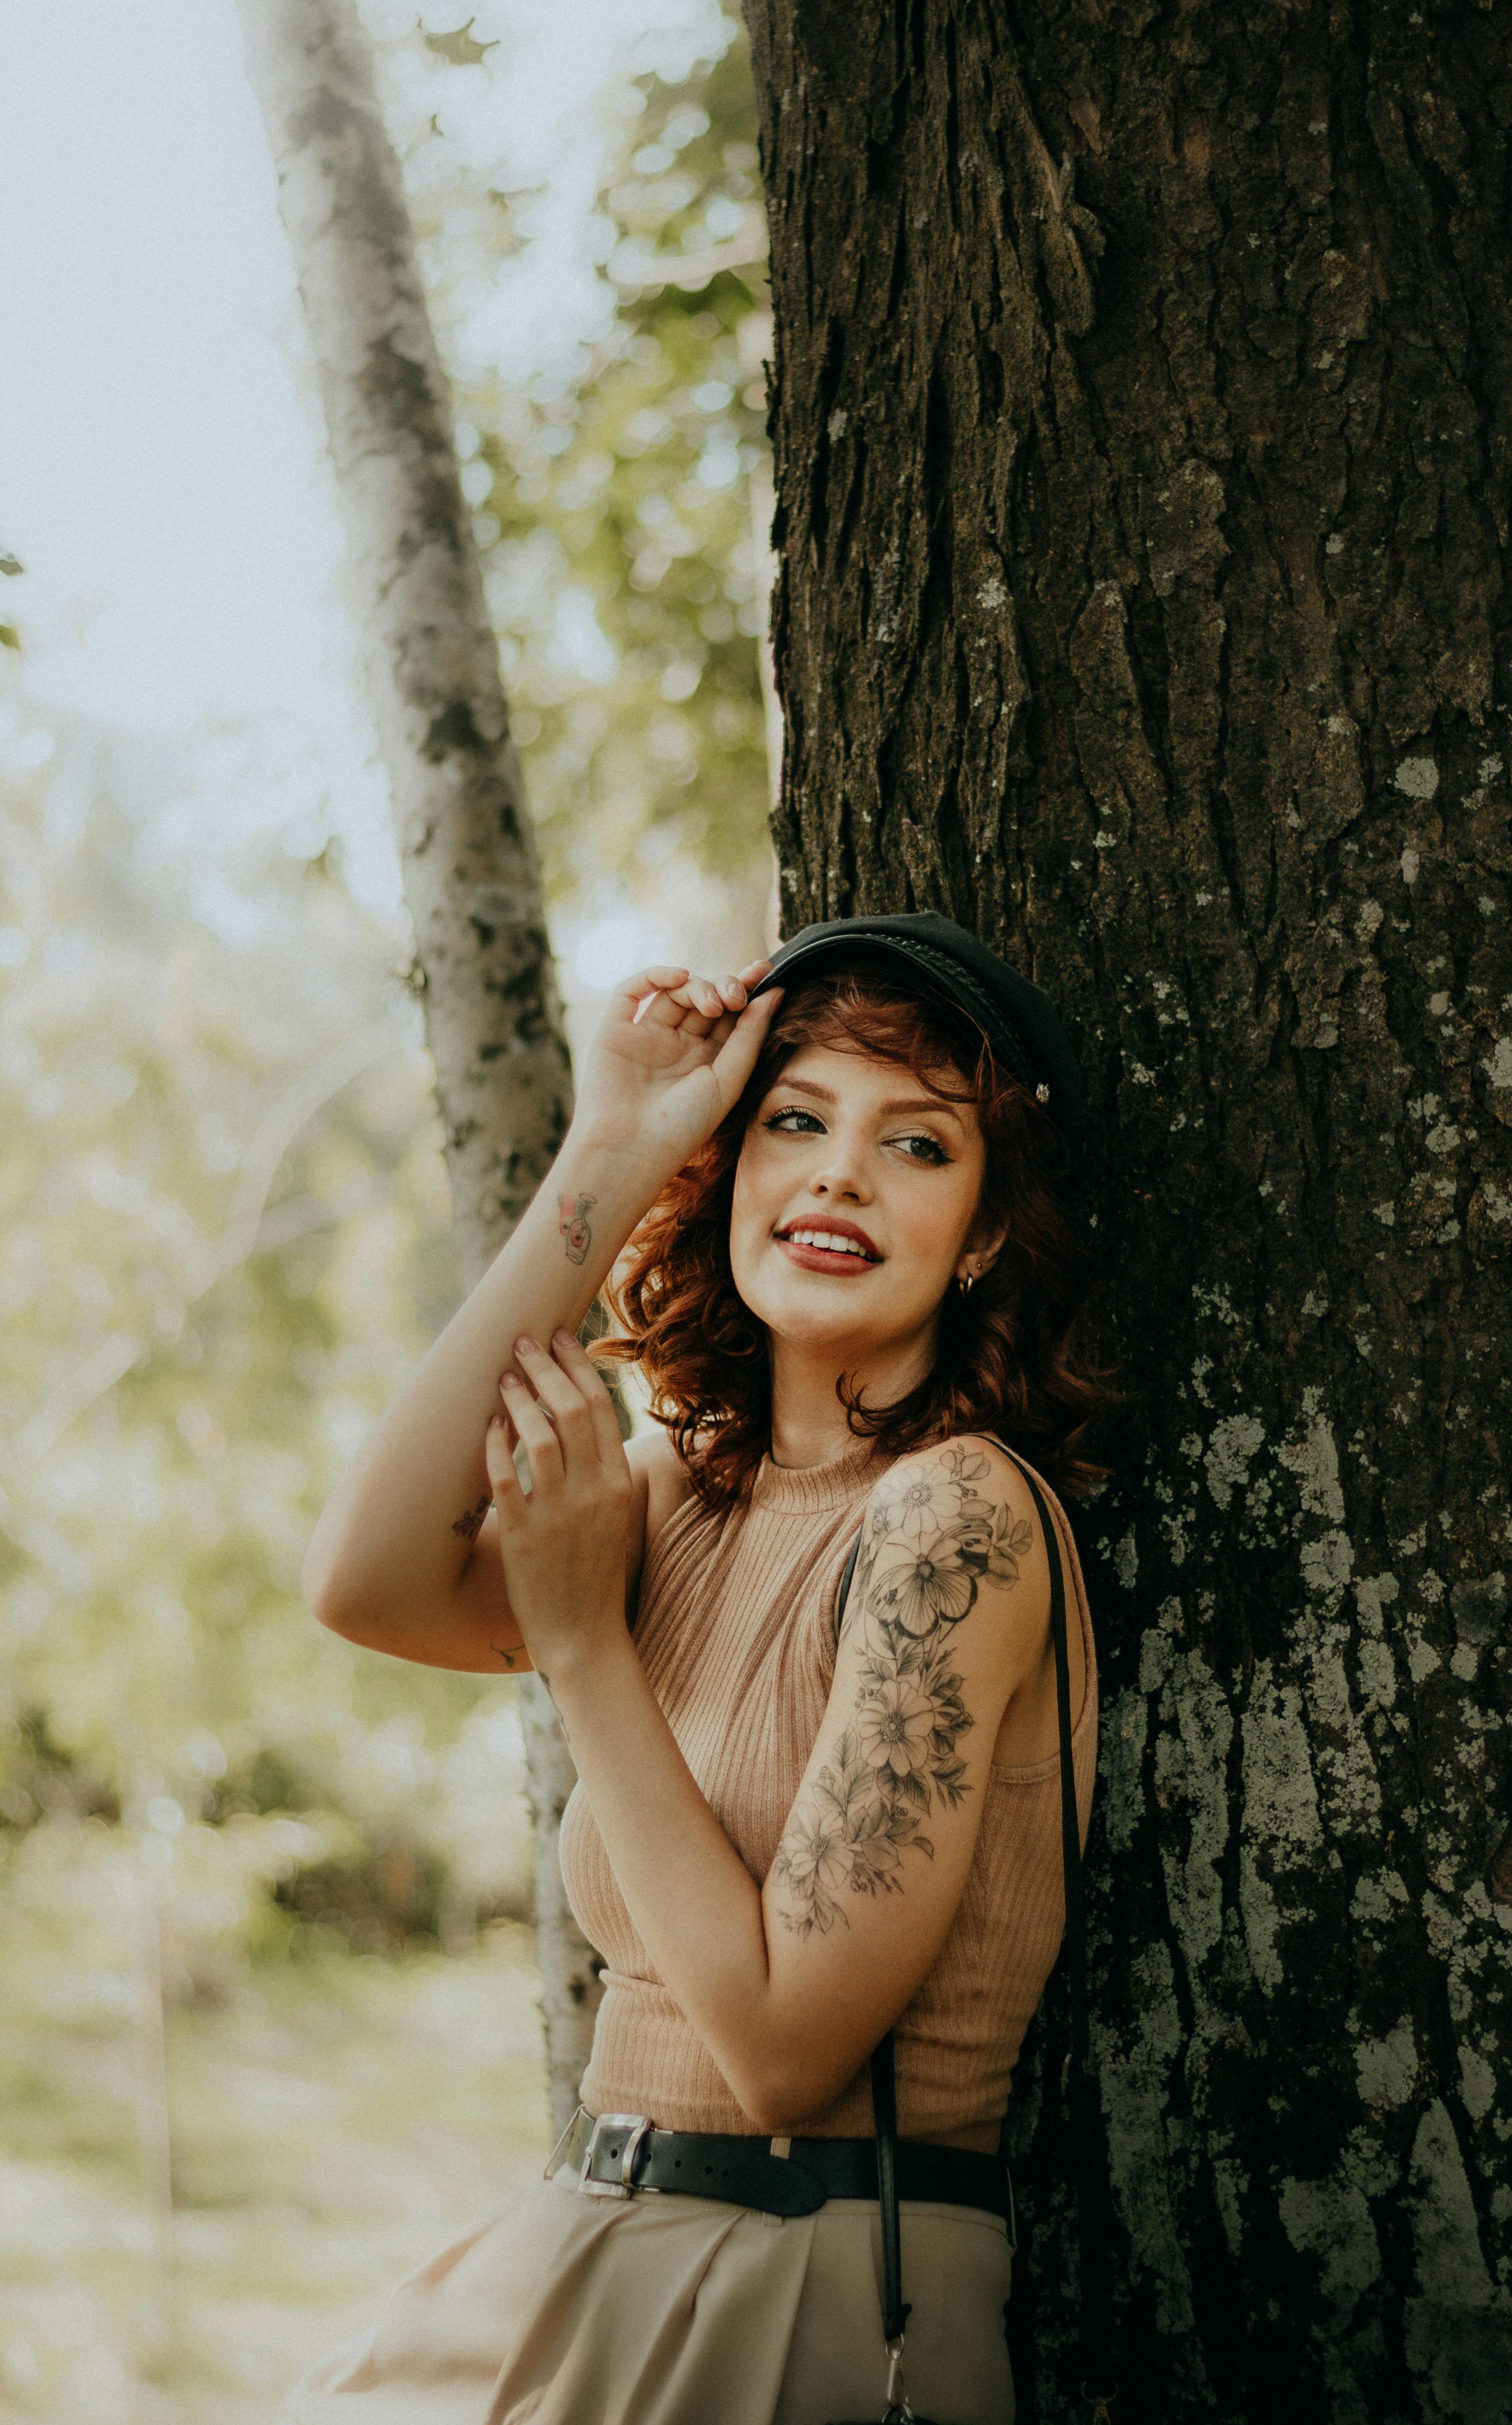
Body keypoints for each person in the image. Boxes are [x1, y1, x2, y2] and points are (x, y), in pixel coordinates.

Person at [285, 913, 1102, 2425]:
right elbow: (366, 1581)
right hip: (594, 2236)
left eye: (919, 1146)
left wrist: (585, 1643)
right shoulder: (685, 1492)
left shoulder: (955, 1517)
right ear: (730, 1172)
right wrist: (614, 1143)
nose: (840, 1172)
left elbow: (788, 2053)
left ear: (987, 1232)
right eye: (795, 1121)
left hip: (802, 2288)